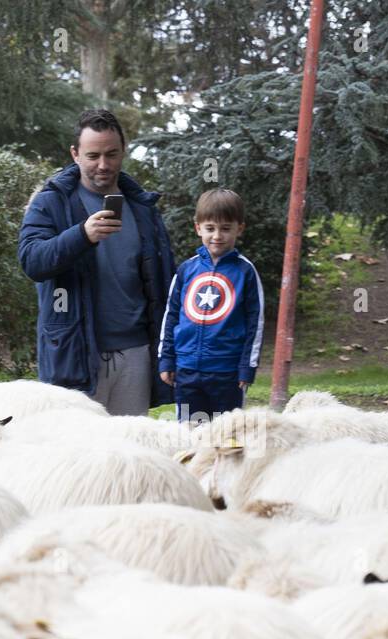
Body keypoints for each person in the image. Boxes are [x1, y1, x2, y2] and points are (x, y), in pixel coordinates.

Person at [17, 108, 176, 415]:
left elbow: (164, 280)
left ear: (123, 152)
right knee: (78, 454)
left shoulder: (142, 206)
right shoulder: (51, 201)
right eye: (93, 156)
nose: (103, 165)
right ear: (75, 154)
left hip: (136, 354)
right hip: (74, 354)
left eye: (111, 154)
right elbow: (32, 261)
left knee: (128, 454)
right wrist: (82, 235)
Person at [158, 188, 265, 423]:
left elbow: (254, 323)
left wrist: (247, 367)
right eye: (210, 228)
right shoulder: (187, 269)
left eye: (226, 228)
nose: (217, 235)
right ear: (198, 228)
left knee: (227, 436)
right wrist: (167, 359)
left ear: (240, 228)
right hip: (186, 370)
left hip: (227, 373)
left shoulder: (245, 271)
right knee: (190, 434)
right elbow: (172, 315)